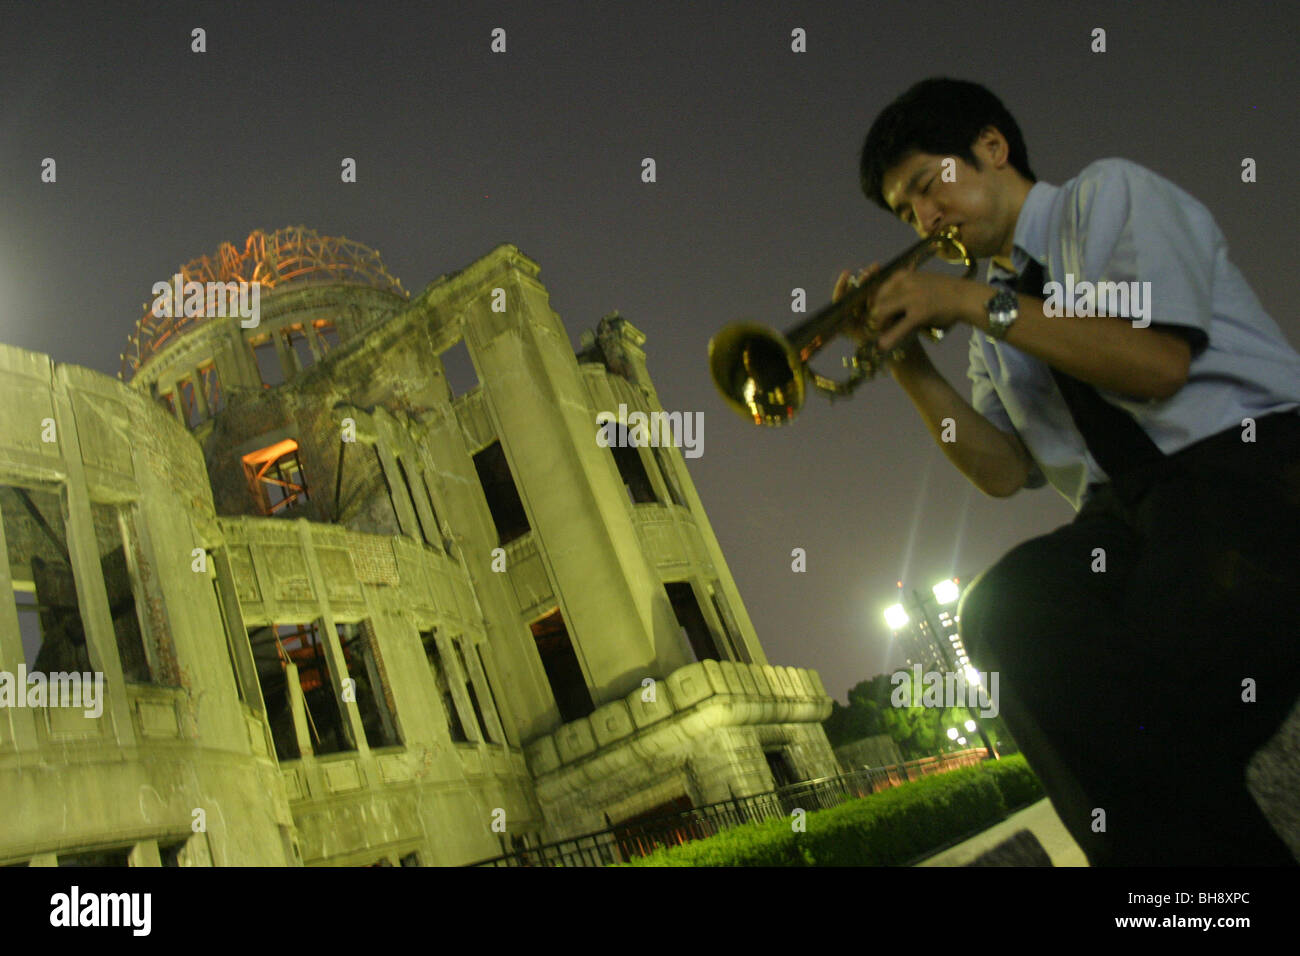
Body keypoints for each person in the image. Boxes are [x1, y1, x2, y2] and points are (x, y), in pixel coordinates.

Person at [836, 77, 1300, 865]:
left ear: (991, 148)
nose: (924, 219)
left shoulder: (1105, 196)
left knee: (1148, 680)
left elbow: (1155, 364)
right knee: (1004, 614)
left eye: (927, 185)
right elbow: (1001, 470)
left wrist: (970, 305)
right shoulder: (989, 319)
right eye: (906, 212)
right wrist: (908, 364)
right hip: (1125, 516)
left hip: (1250, 461)